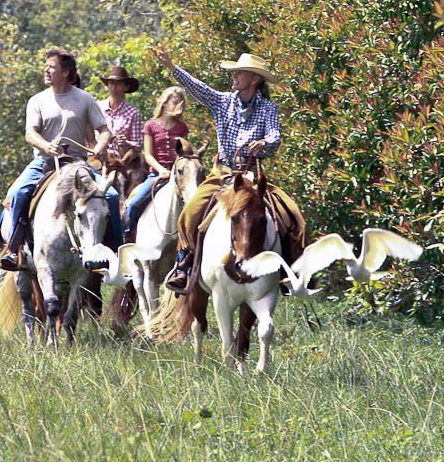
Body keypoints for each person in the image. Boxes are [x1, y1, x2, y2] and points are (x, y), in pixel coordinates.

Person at [149, 46, 305, 293]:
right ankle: (184, 264)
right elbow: (197, 88)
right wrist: (171, 67)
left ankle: (291, 273)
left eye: (239, 72)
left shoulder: (268, 108)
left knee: (293, 216)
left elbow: (275, 136)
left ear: (254, 79)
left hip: (253, 176)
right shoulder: (223, 101)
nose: (234, 75)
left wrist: (265, 143)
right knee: (190, 212)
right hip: (223, 173)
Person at [0, 47, 121, 271]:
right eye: (46, 66)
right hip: (44, 162)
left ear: (66, 72)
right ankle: (13, 248)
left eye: (51, 67)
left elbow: (104, 131)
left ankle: (116, 250)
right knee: (18, 191)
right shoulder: (38, 100)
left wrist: (100, 146)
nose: (46, 70)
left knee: (112, 195)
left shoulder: (85, 99)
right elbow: (30, 133)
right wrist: (46, 145)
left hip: (78, 163)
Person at [122, 85, 189, 239]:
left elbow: (183, 153)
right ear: (164, 103)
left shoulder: (182, 128)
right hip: (156, 175)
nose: (179, 106)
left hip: (177, 175)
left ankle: (188, 244)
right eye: (175, 102)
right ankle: (126, 235)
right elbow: (148, 155)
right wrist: (161, 170)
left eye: (181, 103)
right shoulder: (151, 125)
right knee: (134, 203)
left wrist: (176, 170)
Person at [97, 64, 144, 183]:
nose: (113, 87)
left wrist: (126, 143)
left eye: (118, 84)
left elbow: (138, 145)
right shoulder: (97, 108)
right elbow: (89, 137)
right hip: (97, 159)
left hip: (122, 162)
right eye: (111, 83)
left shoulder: (133, 113)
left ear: (126, 87)